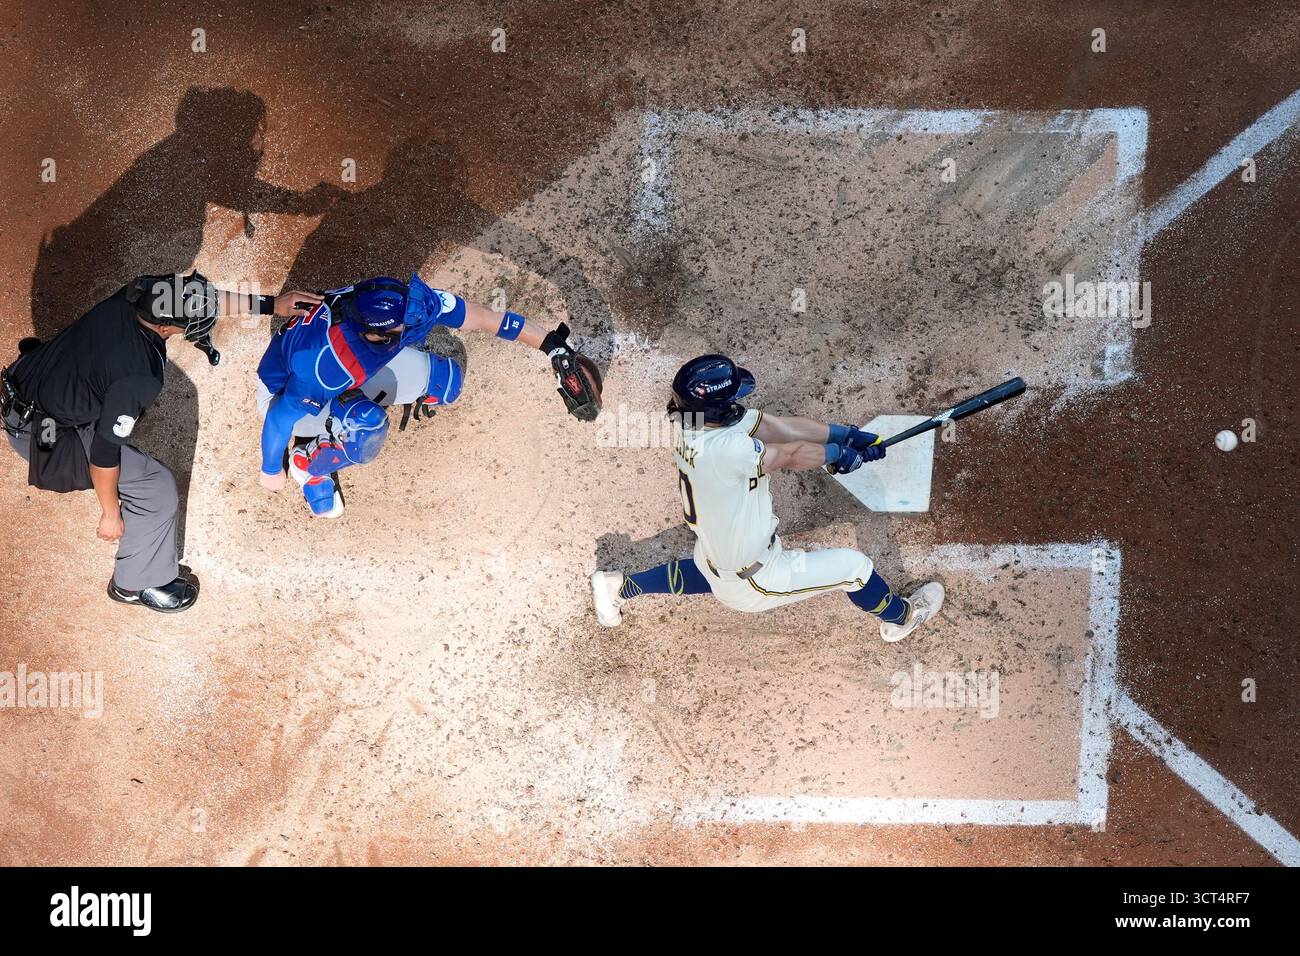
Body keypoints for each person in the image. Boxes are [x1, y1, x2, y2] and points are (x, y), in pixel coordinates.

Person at [2, 272, 320, 612]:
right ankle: (136, 583)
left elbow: (198, 296)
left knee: (106, 396)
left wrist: (274, 305)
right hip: (44, 436)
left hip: (28, 379)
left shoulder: (134, 294)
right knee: (156, 486)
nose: (201, 321)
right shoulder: (139, 373)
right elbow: (104, 454)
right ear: (166, 327)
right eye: (193, 320)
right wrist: (111, 514)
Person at [589, 354, 945, 642]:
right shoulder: (727, 450)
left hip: (715, 553)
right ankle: (903, 618)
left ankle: (618, 588)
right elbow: (789, 454)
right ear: (717, 408)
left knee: (710, 570)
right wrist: (839, 455)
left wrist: (845, 435)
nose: (738, 403)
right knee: (855, 569)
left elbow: (783, 429)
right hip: (757, 579)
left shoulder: (691, 420)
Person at [256, 273, 601, 517]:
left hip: (340, 372)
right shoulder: (324, 365)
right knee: (366, 426)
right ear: (375, 335)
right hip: (284, 393)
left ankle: (338, 421)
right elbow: (277, 417)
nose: (418, 317)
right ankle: (309, 463)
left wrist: (551, 347)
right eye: (403, 326)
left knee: (446, 382)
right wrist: (271, 471)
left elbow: (483, 317)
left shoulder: (402, 304)